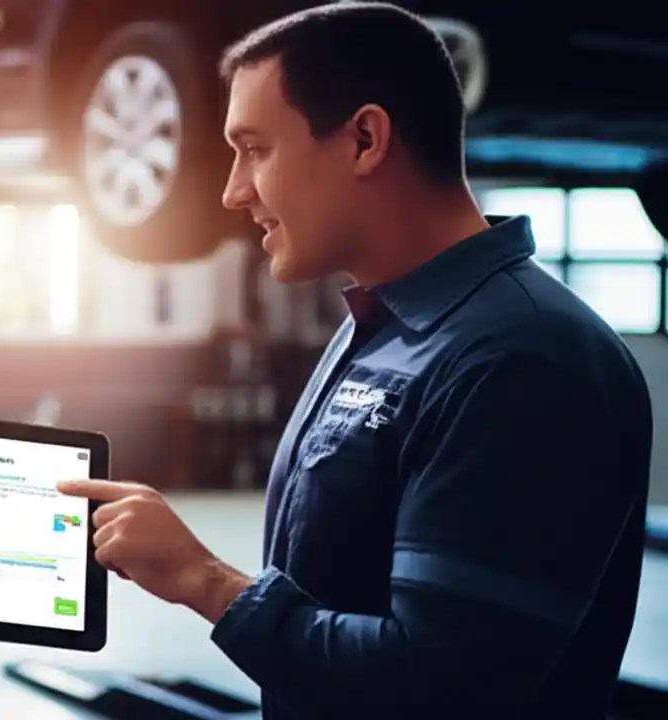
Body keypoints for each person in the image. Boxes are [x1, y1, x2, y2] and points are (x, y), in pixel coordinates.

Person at [59, 4, 652, 719]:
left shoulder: (526, 357)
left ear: (366, 139)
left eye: (256, 149)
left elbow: (434, 688)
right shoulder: (382, 328)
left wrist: (202, 580)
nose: (232, 190)